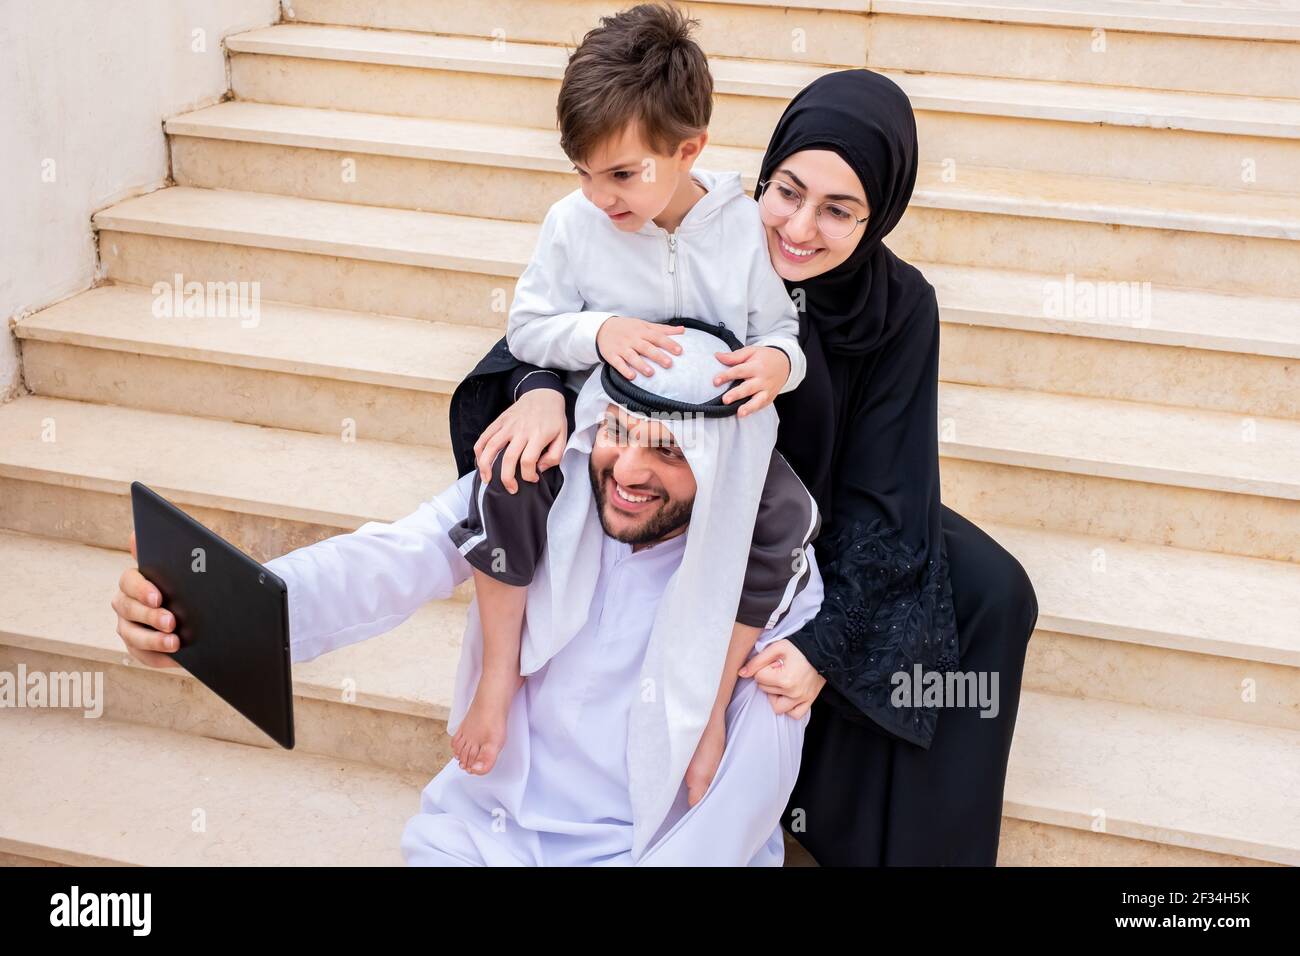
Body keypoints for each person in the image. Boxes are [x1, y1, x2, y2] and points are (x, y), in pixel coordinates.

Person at [452, 69, 1041, 866]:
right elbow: (574, 337)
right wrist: (537, 389)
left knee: (992, 591)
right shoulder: (700, 240)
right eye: (788, 192)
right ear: (763, 177)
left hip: (828, 501)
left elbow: (888, 479)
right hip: (689, 495)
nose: (800, 227)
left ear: (881, 213)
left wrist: (826, 647)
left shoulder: (898, 305)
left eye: (839, 210)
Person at [109, 324, 825, 866]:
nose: (629, 470)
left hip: (650, 847)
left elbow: (739, 806)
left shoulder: (772, 589)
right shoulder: (541, 486)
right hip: (488, 834)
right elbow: (392, 557)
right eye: (617, 433)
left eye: (668, 451)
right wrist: (223, 618)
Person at [447, 2, 818, 793]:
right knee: (508, 475)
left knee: (784, 515)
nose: (598, 195)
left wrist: (780, 364)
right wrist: (599, 330)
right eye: (583, 172)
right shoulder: (573, 225)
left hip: (715, 435)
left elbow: (782, 325)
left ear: (689, 152)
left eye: (621, 175)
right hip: (605, 420)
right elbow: (528, 328)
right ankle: (499, 673)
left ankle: (709, 708)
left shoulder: (741, 227)